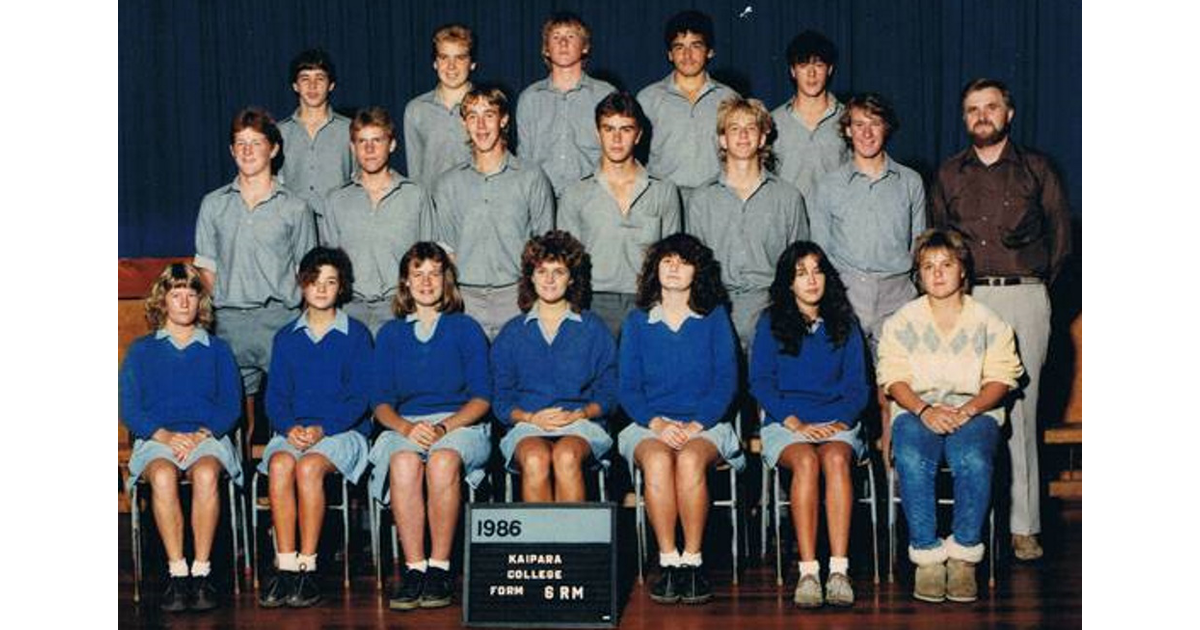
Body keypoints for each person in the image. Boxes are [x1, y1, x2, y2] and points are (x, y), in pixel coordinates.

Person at [929, 78, 1072, 561]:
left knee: (1024, 411)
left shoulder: (1037, 169)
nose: (982, 116)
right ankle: (971, 528)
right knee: (969, 408)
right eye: (972, 109)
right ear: (964, 118)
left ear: (1008, 114)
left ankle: (1024, 527)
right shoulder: (949, 174)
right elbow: (938, 247)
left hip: (1024, 296)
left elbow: (1061, 242)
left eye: (991, 107)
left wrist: (1032, 291)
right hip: (967, 302)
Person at [876, 229, 1023, 603]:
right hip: (916, 409)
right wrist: (924, 410)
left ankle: (963, 558)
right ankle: (926, 557)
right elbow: (892, 378)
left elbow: (1002, 377)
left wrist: (968, 410)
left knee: (972, 458)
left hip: (975, 410)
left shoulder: (989, 321)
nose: (938, 273)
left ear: (963, 271)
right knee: (911, 456)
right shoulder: (902, 321)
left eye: (946, 264)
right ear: (918, 275)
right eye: (928, 266)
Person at [617, 233, 742, 606]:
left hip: (705, 423)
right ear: (655, 268)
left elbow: (726, 382)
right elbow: (628, 387)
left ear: (697, 271)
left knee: (688, 460)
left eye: (683, 261)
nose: (673, 268)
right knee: (657, 460)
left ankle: (693, 561)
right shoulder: (638, 321)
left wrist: (695, 425)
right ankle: (668, 561)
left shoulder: (715, 317)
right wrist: (656, 424)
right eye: (667, 260)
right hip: (649, 423)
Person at [368, 242, 491, 611]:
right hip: (405, 426)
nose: (426, 282)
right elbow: (380, 403)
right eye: (417, 274)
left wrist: (443, 428)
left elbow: (482, 397)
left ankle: (439, 568)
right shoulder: (390, 334)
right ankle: (414, 568)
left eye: (434, 273)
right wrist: (406, 429)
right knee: (404, 463)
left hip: (459, 425)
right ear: (405, 282)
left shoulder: (465, 329)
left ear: (446, 281)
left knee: (441, 461)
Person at [750, 242, 868, 608]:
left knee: (833, 460)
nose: (811, 280)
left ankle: (838, 570)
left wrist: (841, 422)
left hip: (836, 421)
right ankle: (807, 572)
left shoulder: (846, 323)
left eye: (817, 271)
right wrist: (795, 423)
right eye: (801, 273)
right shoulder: (770, 323)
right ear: (788, 282)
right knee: (805, 462)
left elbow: (859, 386)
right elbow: (761, 382)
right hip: (787, 422)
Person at [120, 263, 243, 613]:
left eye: (191, 294)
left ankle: (201, 573)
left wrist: (203, 433)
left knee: (205, 473)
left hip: (207, 437)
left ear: (200, 300)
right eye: (177, 295)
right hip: (158, 438)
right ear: (164, 300)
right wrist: (165, 436)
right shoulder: (142, 351)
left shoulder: (217, 349)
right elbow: (130, 406)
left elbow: (231, 404)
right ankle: (177, 574)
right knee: (161, 475)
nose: (185, 302)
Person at [258, 246, 373, 608]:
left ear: (342, 287)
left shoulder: (356, 334)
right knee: (279, 464)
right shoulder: (286, 337)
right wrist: (289, 428)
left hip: (342, 431)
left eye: (331, 282)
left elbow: (360, 398)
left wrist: (323, 430)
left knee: (308, 467)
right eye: (314, 281)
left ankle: (309, 566)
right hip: (294, 431)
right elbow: (275, 397)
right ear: (302, 285)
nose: (322, 289)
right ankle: (286, 565)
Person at [194, 108, 317, 396]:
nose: (247, 151)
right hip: (229, 322)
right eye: (240, 143)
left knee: (292, 406)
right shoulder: (214, 204)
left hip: (281, 319)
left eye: (256, 143)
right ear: (231, 150)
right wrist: (228, 303)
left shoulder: (295, 207)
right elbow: (206, 267)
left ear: (273, 149)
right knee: (231, 413)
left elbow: (307, 271)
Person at [492, 231, 618, 502]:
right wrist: (530, 418)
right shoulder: (512, 333)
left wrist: (581, 414)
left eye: (558, 272)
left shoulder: (593, 328)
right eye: (541, 271)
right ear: (531, 277)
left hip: (581, 424)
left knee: (566, 455)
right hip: (529, 425)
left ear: (571, 278)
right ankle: (539, 545)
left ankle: (574, 545)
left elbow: (610, 392)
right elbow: (500, 399)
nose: (549, 279)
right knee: (536, 458)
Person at [431, 86, 555, 340]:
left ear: (504, 119)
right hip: (466, 302)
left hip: (517, 298)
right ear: (464, 123)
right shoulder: (447, 184)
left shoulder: (531, 177)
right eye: (472, 116)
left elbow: (545, 248)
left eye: (489, 114)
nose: (481, 125)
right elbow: (447, 251)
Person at [687, 95, 808, 349]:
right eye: (734, 129)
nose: (743, 136)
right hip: (716, 309)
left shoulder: (788, 197)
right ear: (722, 139)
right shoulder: (701, 198)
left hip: (770, 309)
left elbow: (799, 265)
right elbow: (694, 267)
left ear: (763, 138)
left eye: (750, 128)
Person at [558, 91, 682, 336]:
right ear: (598, 133)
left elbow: (674, 260)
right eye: (608, 129)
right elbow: (565, 264)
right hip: (592, 303)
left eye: (625, 129)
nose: (616, 139)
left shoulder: (664, 191)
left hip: (647, 302)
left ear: (638, 135)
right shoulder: (575, 193)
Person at [809, 93, 925, 351]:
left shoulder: (911, 182)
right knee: (848, 378)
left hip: (898, 295)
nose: (867, 133)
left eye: (875, 124)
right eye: (859, 125)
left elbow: (918, 245)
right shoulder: (829, 185)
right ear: (848, 131)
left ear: (886, 128)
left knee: (895, 381)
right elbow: (821, 250)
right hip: (847, 294)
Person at [324, 106, 435, 335]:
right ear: (352, 147)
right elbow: (329, 265)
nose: (370, 149)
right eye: (362, 142)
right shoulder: (336, 199)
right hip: (350, 310)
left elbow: (430, 260)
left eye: (377, 140)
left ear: (392, 144)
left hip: (401, 308)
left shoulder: (415, 195)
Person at [637, 10, 739, 207]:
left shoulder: (729, 98)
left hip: (716, 200)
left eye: (696, 46)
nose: (687, 54)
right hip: (663, 201)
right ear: (669, 54)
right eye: (679, 47)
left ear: (710, 51)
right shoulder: (648, 99)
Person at [516, 11, 616, 197]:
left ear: (585, 47)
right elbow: (524, 159)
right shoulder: (530, 98)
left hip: (593, 197)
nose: (563, 43)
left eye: (571, 36)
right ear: (546, 49)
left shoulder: (605, 94)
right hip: (542, 197)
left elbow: (617, 151)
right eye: (556, 37)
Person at [277, 48, 354, 235]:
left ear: (331, 85)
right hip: (293, 230)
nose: (312, 86)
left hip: (339, 228)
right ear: (295, 85)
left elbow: (359, 179)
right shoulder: (279, 132)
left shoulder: (350, 129)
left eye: (320, 78)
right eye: (305, 79)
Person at [771, 30, 849, 202]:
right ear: (793, 71)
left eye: (819, 65)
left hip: (836, 224)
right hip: (789, 224)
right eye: (803, 65)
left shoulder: (848, 118)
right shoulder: (773, 121)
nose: (811, 73)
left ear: (829, 69)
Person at [404, 24, 476, 188]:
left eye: (460, 58)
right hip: (434, 208)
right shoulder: (416, 110)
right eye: (444, 57)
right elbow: (415, 174)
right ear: (435, 63)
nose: (451, 66)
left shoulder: (487, 108)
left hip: (480, 207)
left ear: (472, 64)